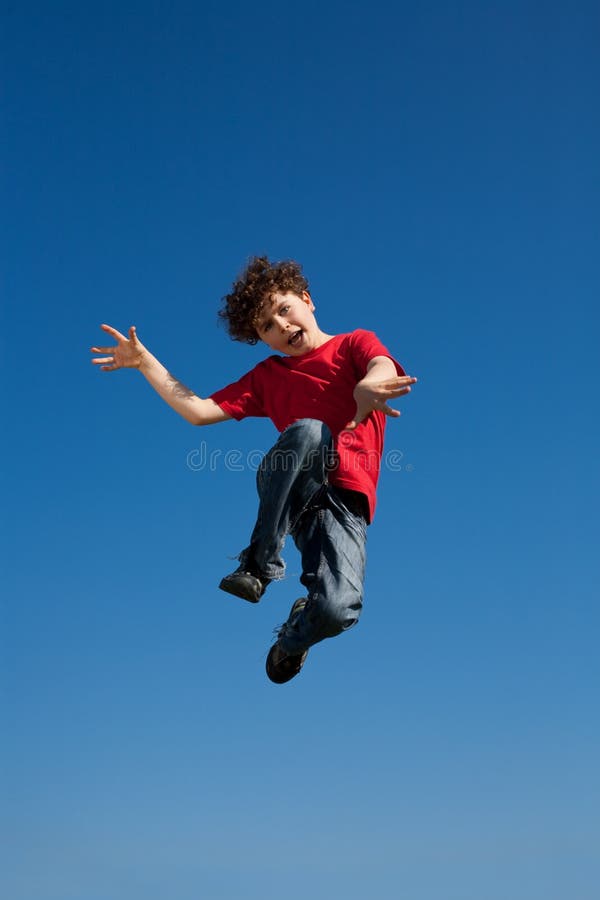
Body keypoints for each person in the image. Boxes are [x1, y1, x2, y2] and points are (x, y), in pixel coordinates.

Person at [91, 256, 416, 684]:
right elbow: (199, 411)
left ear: (307, 299)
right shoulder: (268, 376)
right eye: (267, 326)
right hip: (293, 486)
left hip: (344, 505)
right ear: (261, 340)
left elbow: (381, 364)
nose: (281, 326)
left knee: (339, 609)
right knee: (310, 432)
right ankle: (259, 564)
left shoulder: (353, 345)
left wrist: (371, 383)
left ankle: (293, 638)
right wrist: (145, 362)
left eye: (284, 309)